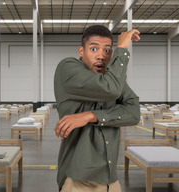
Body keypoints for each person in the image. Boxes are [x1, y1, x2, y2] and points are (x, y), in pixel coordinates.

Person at [54, 25, 141, 192]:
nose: (101, 56)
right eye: (94, 49)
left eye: (108, 51)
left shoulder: (113, 78)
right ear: (81, 51)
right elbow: (111, 89)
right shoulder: (68, 68)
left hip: (111, 181)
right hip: (78, 181)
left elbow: (134, 112)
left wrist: (91, 115)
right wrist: (121, 49)